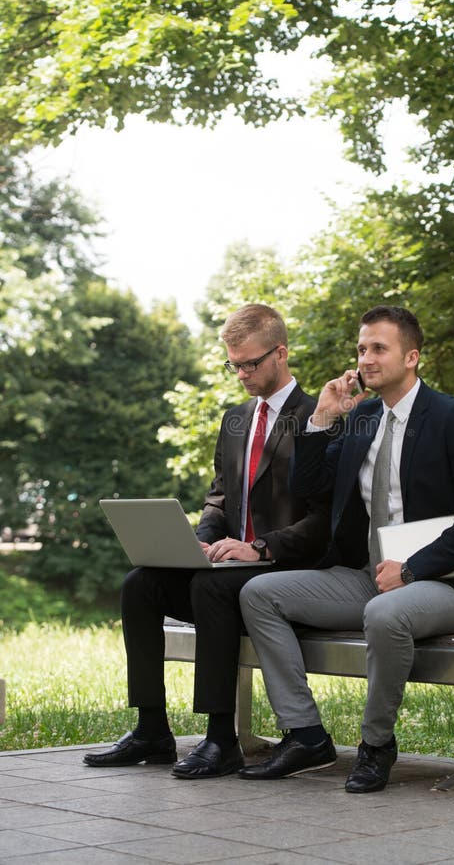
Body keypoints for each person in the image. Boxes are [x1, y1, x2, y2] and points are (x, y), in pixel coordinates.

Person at [238, 304, 454, 793]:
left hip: (447, 581)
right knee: (259, 593)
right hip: (368, 574)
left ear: (412, 357)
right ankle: (305, 734)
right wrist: (320, 419)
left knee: (385, 615)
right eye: (362, 349)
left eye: (379, 348)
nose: (366, 359)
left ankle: (376, 745)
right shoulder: (361, 417)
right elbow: (311, 485)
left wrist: (411, 570)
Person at [83, 304, 331, 778]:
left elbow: (324, 521)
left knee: (210, 589)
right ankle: (152, 729)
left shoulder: (318, 417)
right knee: (141, 583)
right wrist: (199, 542)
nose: (240, 373)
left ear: (281, 353)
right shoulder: (235, 419)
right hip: (232, 567)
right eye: (233, 364)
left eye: (250, 363)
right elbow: (219, 500)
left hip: (287, 570)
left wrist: (260, 547)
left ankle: (222, 739)